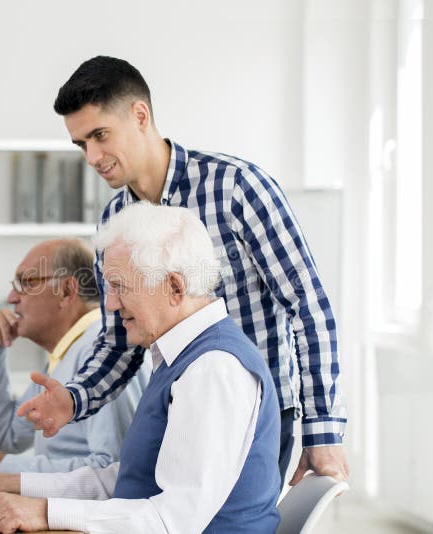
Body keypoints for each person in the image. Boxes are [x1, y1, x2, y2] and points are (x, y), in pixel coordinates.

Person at [20, 55, 349, 485]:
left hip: (258, 413)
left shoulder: (236, 188)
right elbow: (117, 340)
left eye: (100, 135)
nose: (93, 156)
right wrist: (74, 398)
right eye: (82, 144)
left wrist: (321, 430)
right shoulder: (113, 221)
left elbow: (308, 306)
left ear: (141, 115)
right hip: (176, 408)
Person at [0, 203, 281, 533]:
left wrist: (42, 511)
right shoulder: (182, 355)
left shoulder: (213, 369)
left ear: (175, 286)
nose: (110, 305)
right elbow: (129, 478)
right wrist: (11, 482)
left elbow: (170, 522)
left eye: (119, 287)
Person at [0, 238, 148, 473]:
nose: (11, 298)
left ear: (66, 291)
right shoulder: (67, 351)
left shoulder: (100, 353)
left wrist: (3, 465)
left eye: (27, 282)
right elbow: (2, 439)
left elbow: (113, 470)